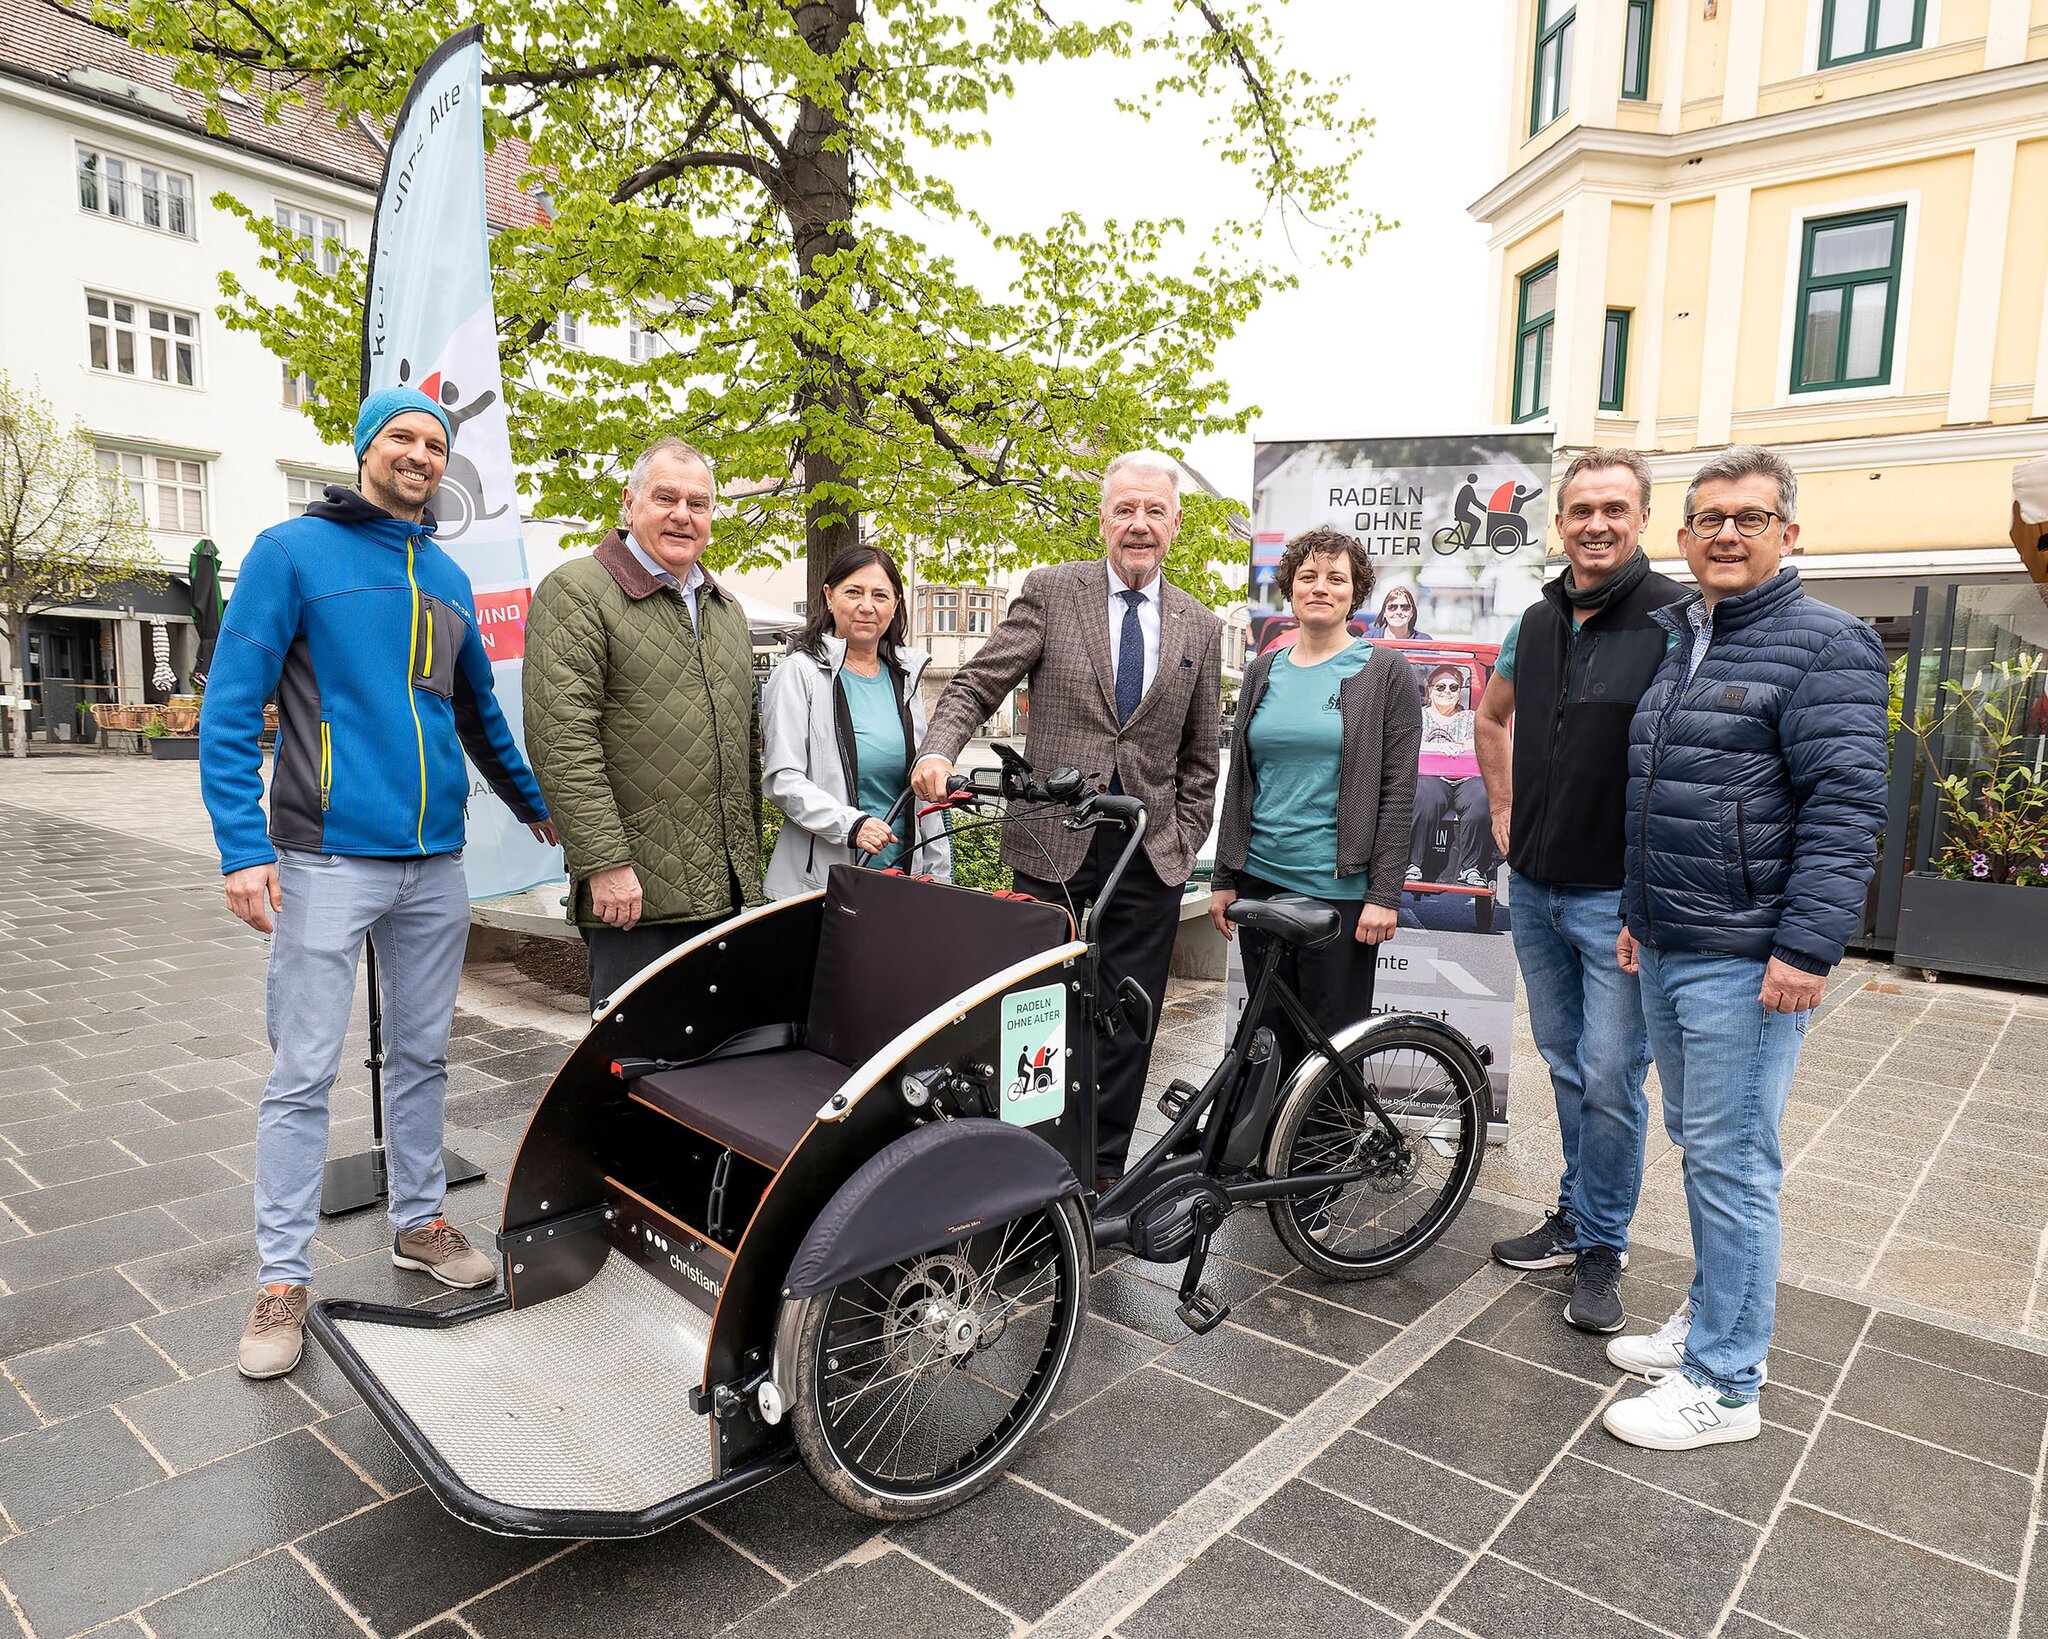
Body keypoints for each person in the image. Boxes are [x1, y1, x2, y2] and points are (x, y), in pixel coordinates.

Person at [199, 385, 556, 1380]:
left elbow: (477, 713)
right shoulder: (290, 553)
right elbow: (230, 706)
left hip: (433, 862)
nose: (419, 454)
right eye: (401, 436)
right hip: (324, 856)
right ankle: (282, 1276)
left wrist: (533, 801)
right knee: (302, 1072)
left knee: (422, 1056)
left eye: (434, 443)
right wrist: (241, 847)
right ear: (365, 448)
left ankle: (418, 1221)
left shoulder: (444, 573)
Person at [1604, 445, 1886, 1450]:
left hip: (1746, 956)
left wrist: (1805, 949)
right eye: (1710, 519)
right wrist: (1637, 912)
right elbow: (1662, 796)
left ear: (1787, 533)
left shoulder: (1827, 644)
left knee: (1731, 1162)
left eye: (1750, 518)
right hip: (1670, 939)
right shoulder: (1686, 636)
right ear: (1683, 538)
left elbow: (1845, 809)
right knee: (1703, 1147)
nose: (1727, 534)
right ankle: (1708, 1319)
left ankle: (1726, 1383)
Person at [910, 450, 1223, 1191]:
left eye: (1154, 510)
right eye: (1125, 509)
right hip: (1051, 843)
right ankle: (1026, 1166)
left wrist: (1181, 841)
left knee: (1129, 1019)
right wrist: (939, 749)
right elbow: (978, 682)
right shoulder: (1053, 591)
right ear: (1103, 519)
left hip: (1146, 853)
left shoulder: (1201, 625)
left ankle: (1101, 1172)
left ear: (1175, 523)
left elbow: (1201, 755)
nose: (1139, 524)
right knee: (1034, 1014)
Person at [1475, 448, 1684, 1335]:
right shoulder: (1535, 619)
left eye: (1614, 508)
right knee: (1567, 1065)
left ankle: (1603, 1243)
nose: (1596, 524)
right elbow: (1491, 716)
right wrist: (1502, 806)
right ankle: (1576, 1213)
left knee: (1610, 1075)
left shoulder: (1676, 618)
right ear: (1559, 523)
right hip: (1536, 887)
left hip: (1617, 897)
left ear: (1642, 518)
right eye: (1581, 510)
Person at [524, 436, 763, 1008]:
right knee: (631, 1053)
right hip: (633, 894)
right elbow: (562, 741)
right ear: (630, 504)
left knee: (716, 1051)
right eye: (666, 498)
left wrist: (746, 872)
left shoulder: (726, 609)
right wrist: (604, 863)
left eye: (698, 503)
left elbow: (743, 746)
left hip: (723, 890)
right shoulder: (577, 592)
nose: (683, 515)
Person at [1210, 529, 1421, 1074]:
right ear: (1290, 588)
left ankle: (1332, 1135)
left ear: (1355, 592)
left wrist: (1384, 894)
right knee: (1267, 1044)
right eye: (1308, 577)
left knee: (1332, 1054)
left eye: (1336, 578)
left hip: (1339, 895)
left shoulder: (1385, 673)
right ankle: (1266, 1134)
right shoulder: (1262, 671)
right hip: (1260, 883)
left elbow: (1398, 791)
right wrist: (1225, 877)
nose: (1320, 588)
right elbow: (1242, 782)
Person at [763, 543, 952, 894]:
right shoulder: (800, 674)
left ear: (895, 605)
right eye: (853, 592)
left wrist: (939, 879)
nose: (867, 606)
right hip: (823, 884)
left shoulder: (905, 679)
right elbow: (782, 779)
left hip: (903, 879)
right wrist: (851, 825)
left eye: (880, 595)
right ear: (829, 597)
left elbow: (923, 793)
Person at [1407, 664, 1489, 888]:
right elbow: (1408, 743)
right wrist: (1439, 748)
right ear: (1430, 689)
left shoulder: (1470, 718)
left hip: (1466, 776)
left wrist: (1462, 746)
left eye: (1453, 687)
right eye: (1440, 687)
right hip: (1431, 775)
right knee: (1425, 796)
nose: (1447, 692)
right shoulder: (1418, 716)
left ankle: (1471, 867)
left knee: (1481, 798)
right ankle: (1413, 863)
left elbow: (1483, 743)